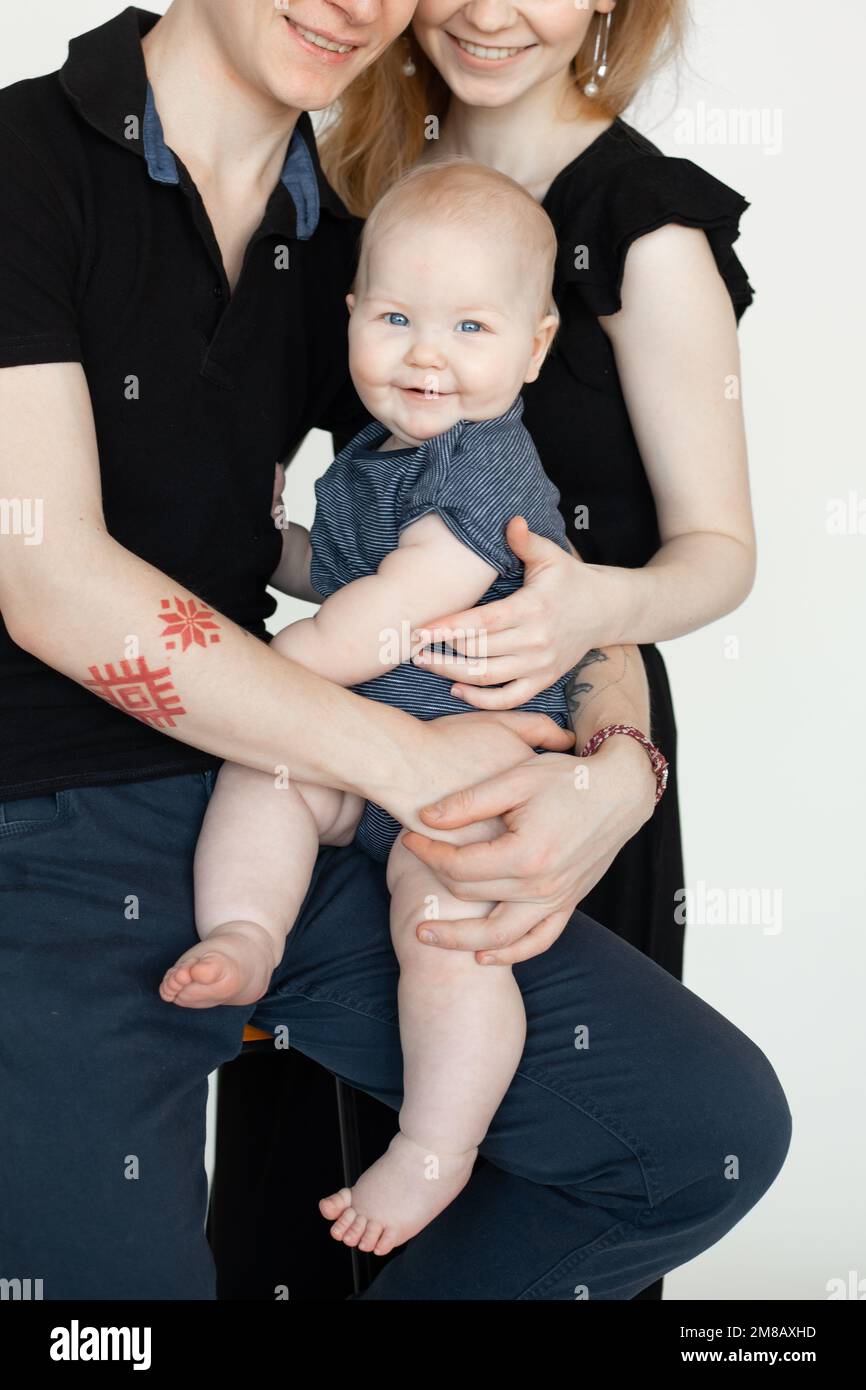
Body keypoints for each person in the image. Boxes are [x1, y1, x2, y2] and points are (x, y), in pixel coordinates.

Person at [0, 2, 789, 1300]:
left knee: (695, 1133)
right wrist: (395, 753)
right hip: (86, 808)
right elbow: (52, 580)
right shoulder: (39, 161)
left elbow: (554, 572)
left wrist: (614, 765)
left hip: (330, 768)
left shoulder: (342, 231)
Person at [163, 160, 585, 1256]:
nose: (425, 354)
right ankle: (247, 931)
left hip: (471, 753)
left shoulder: (484, 465)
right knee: (267, 777)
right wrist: (276, 548)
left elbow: (391, 613)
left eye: (469, 328)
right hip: (366, 747)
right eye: (394, 318)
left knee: (442, 931)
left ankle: (436, 1145)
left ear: (534, 346)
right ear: (350, 314)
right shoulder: (373, 453)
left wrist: (266, 670)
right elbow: (348, 577)